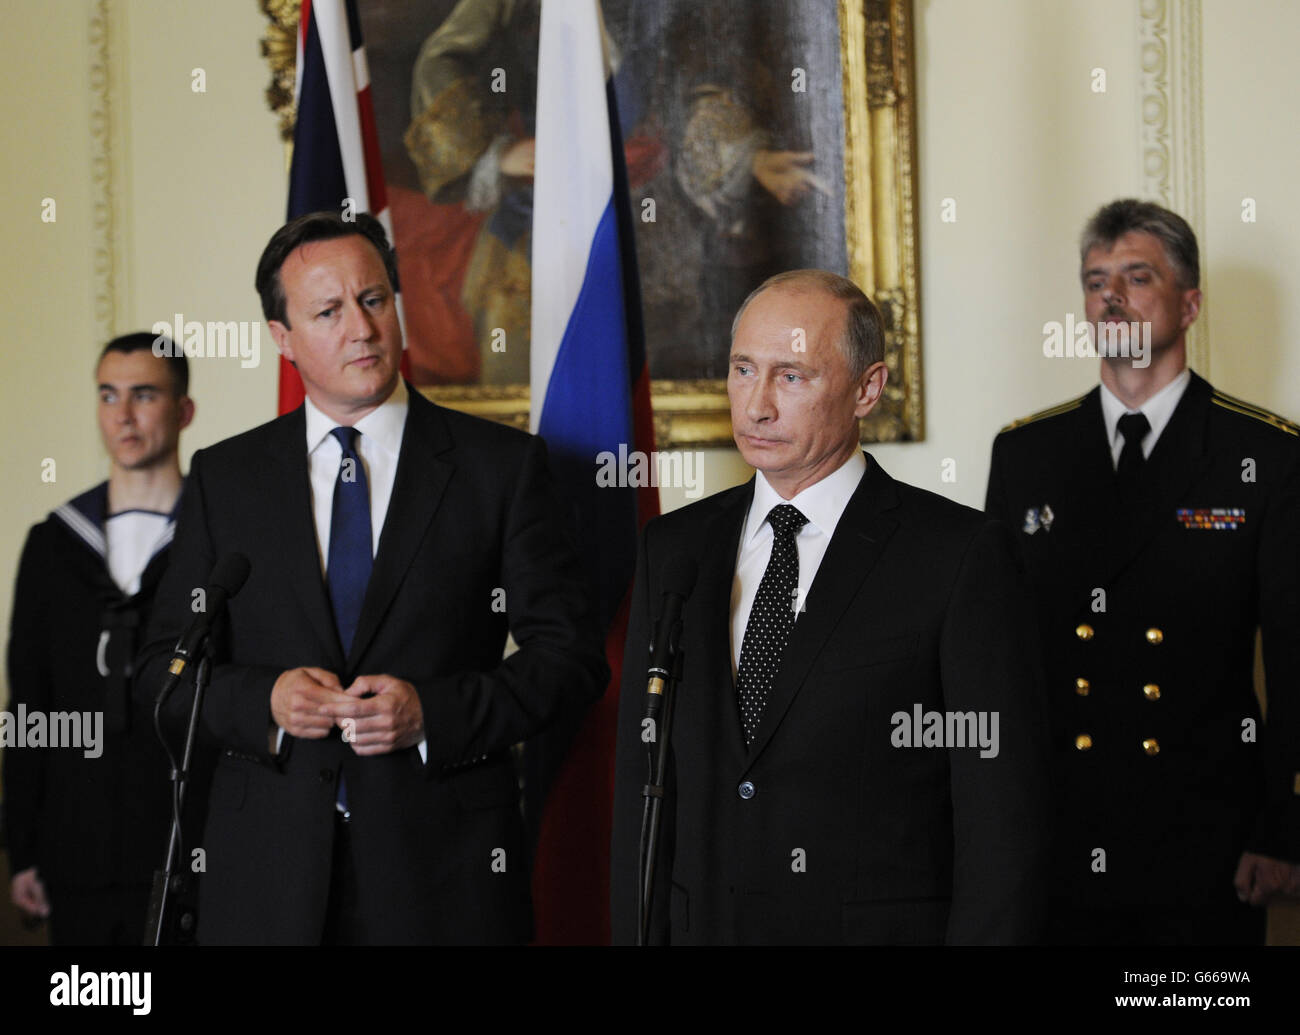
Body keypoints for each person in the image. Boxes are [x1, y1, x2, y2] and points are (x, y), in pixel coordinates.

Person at [137, 211, 608, 945]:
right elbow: (161, 672)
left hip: (446, 878)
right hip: (267, 878)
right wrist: (266, 698)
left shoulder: (499, 469)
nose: (361, 328)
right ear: (282, 338)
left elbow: (570, 659)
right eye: (329, 311)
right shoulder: (225, 479)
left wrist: (435, 715)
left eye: (375, 299)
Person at [611, 270, 1049, 944]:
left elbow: (1001, 824)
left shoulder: (958, 556)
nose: (755, 405)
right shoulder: (673, 548)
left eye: (791, 376)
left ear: (866, 388)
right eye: (742, 369)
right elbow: (642, 791)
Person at [985, 199, 1300, 945]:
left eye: (1137, 276)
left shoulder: (1261, 455)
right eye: (1097, 282)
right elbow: (994, 653)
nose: (1112, 297)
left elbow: (1294, 658)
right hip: (1061, 826)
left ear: (1189, 305)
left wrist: (1285, 826)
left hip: (1206, 835)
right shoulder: (1027, 454)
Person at [4, 334, 194, 944]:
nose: (124, 415)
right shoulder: (54, 545)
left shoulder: (213, 543)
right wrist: (22, 846)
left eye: (145, 394)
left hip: (187, 847)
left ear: (183, 410)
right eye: (108, 395)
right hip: (77, 849)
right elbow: (29, 705)